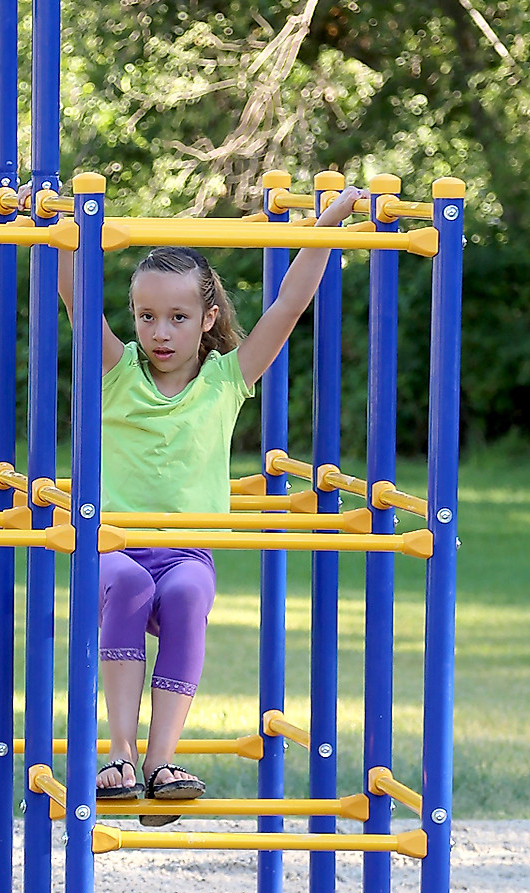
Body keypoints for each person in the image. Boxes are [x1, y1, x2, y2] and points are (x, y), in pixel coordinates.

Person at [55, 185, 366, 824]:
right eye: (145, 316)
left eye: (176, 317)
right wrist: (62, 221)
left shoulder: (228, 379)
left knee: (188, 592)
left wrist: (327, 223)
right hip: (112, 546)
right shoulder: (116, 373)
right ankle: (116, 751)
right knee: (127, 581)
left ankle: (160, 762)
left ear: (206, 317)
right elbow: (73, 295)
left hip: (186, 553)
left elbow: (288, 303)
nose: (159, 332)